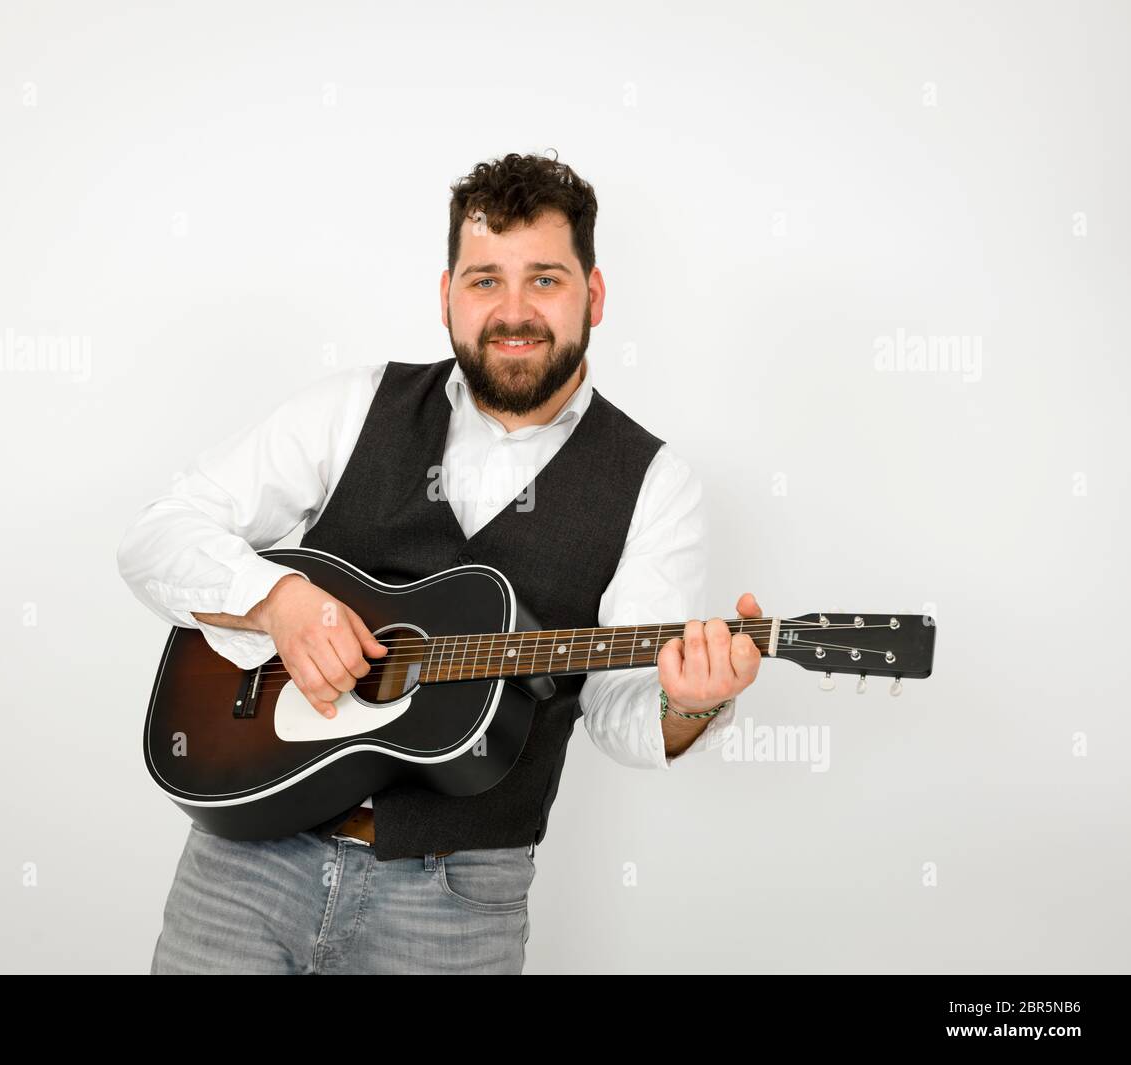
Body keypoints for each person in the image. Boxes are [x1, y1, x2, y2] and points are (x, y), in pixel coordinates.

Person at [117, 150, 763, 974]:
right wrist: (278, 600)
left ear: (593, 297)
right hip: (248, 863)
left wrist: (692, 704)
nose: (514, 309)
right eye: (485, 279)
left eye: (546, 279)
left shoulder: (653, 482)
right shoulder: (355, 404)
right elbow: (157, 534)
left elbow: (621, 711)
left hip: (457, 906)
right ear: (447, 294)